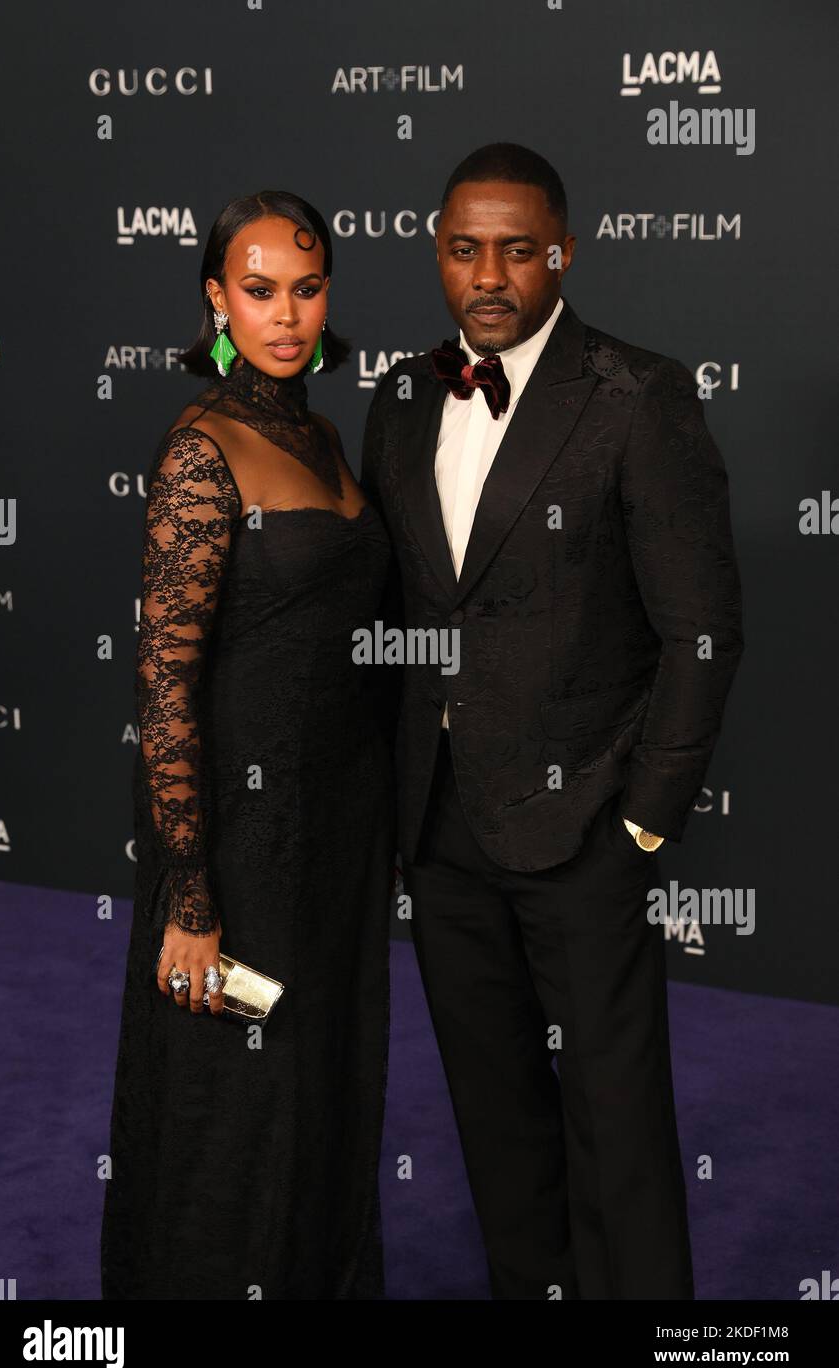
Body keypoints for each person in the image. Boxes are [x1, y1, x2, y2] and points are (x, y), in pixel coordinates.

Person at [360, 142, 744, 1300]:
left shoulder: (638, 394)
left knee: (614, 1124)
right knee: (494, 1112)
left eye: (516, 251)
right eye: (465, 249)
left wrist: (640, 824)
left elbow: (701, 631)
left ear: (559, 253)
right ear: (437, 253)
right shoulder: (400, 395)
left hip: (584, 828)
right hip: (443, 826)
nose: (490, 275)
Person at [101, 191, 395, 1300]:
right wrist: (190, 893)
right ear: (217, 299)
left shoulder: (319, 433)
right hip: (237, 834)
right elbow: (165, 679)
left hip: (338, 832)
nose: (287, 314)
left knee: (323, 1080)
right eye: (260, 290)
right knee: (235, 1096)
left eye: (307, 289)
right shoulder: (199, 449)